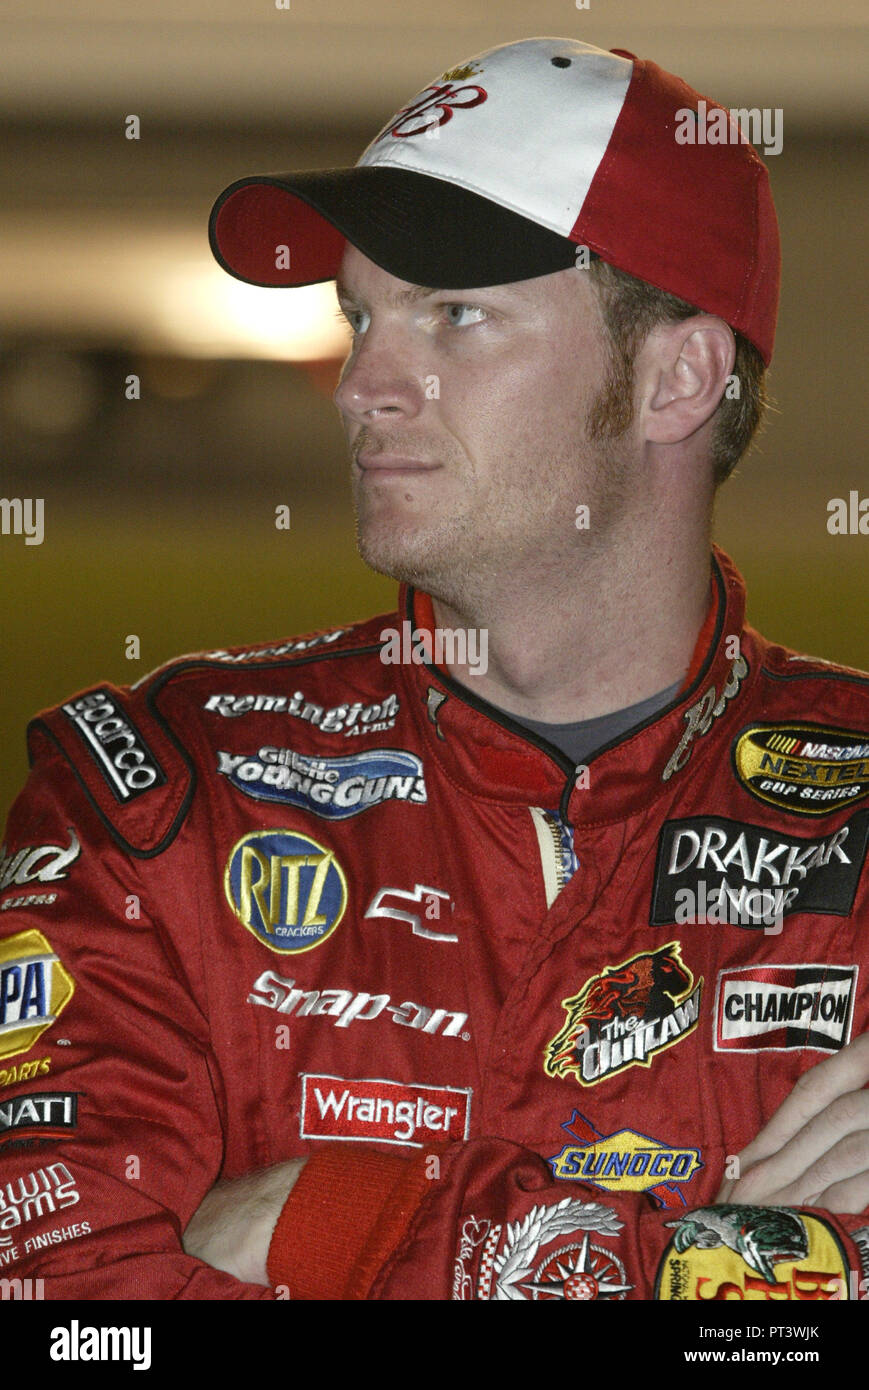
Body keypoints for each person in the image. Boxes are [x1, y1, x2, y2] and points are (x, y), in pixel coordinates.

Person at [1, 37, 866, 1303]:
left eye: (454, 316)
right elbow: (69, 1306)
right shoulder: (158, 798)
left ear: (676, 378)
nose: (361, 385)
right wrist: (721, 1277)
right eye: (361, 315)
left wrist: (338, 1223)